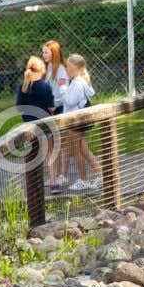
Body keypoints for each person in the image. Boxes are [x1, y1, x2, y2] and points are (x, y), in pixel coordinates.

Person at [60, 53, 102, 192]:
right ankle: (102, 175)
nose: (66, 70)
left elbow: (70, 101)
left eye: (68, 67)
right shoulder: (77, 81)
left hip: (76, 122)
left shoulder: (78, 83)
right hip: (76, 120)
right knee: (83, 149)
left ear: (77, 68)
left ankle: (83, 179)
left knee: (78, 150)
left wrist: (62, 87)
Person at [41, 40, 68, 187]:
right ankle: (55, 175)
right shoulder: (49, 68)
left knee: (62, 142)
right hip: (51, 108)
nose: (43, 54)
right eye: (43, 52)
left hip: (59, 108)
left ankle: (62, 175)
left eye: (46, 52)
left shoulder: (61, 70)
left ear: (54, 52)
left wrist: (54, 105)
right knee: (53, 143)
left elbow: (63, 92)